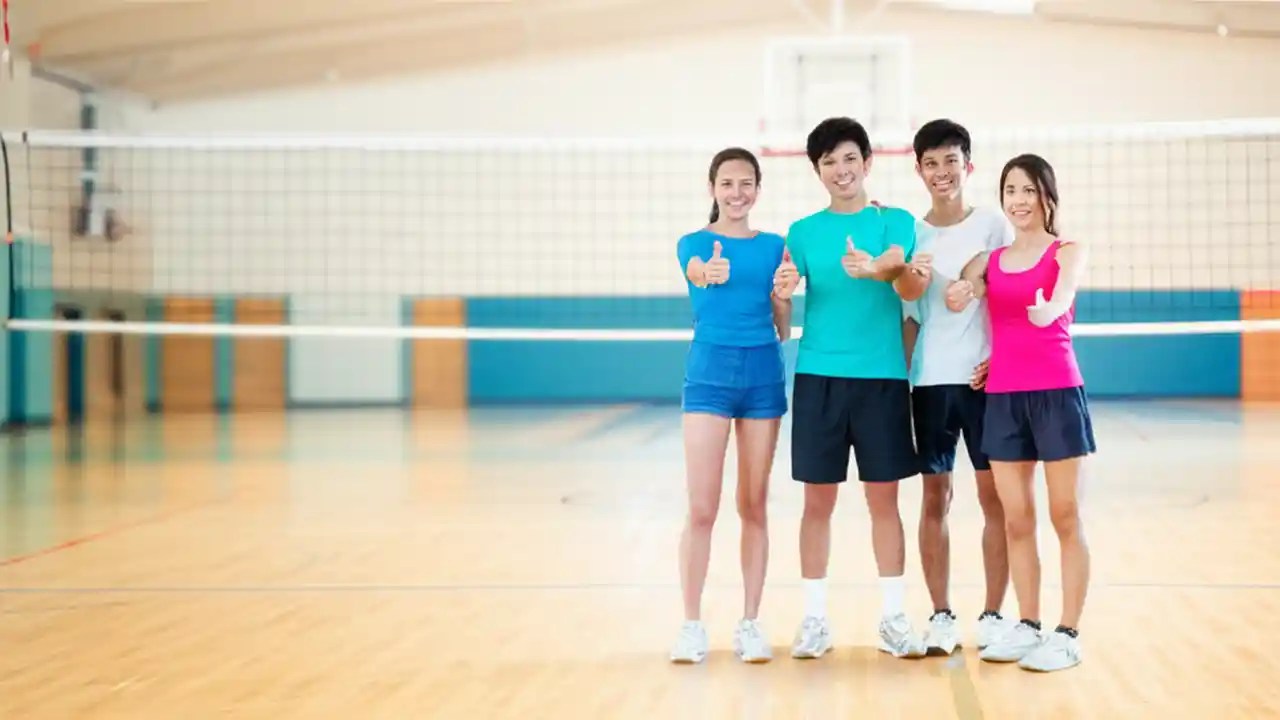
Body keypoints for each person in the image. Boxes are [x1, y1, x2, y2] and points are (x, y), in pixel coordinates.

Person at [783, 117, 931, 660]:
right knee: (816, 502)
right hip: (819, 377)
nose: (840, 170)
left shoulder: (897, 222)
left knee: (883, 502)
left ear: (867, 163)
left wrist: (877, 270)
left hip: (882, 380)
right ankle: (815, 621)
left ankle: (893, 619)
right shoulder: (801, 232)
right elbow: (782, 298)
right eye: (828, 162)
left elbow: (909, 277)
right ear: (818, 171)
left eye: (849, 158)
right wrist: (779, 293)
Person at [669, 147, 800, 664]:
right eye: (727, 183)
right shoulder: (693, 244)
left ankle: (749, 622)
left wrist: (786, 296)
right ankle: (691, 625)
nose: (737, 192)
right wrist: (708, 273)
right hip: (708, 379)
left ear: (758, 189)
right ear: (713, 189)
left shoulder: (775, 246)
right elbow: (696, 271)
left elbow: (783, 327)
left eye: (746, 183)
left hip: (763, 377)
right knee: (702, 507)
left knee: (753, 505)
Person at [974, 153, 1094, 672]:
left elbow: (1063, 291)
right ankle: (1028, 624)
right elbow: (957, 282)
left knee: (1064, 515)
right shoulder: (993, 260)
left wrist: (1051, 308)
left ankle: (1067, 633)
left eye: (1028, 190)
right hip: (1003, 395)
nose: (1019, 201)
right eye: (1010, 191)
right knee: (1016, 519)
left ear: (1047, 195)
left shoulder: (1067, 250)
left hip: (1057, 393)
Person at [900, 119, 1014, 655]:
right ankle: (941, 615)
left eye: (951, 161)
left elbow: (1006, 293)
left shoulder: (993, 225)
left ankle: (994, 614)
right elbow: (909, 317)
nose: (941, 172)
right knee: (934, 498)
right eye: (931, 163)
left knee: (996, 498)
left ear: (967, 166)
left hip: (984, 381)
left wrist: (1000, 358)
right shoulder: (910, 235)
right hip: (930, 384)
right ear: (919, 170)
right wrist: (901, 383)